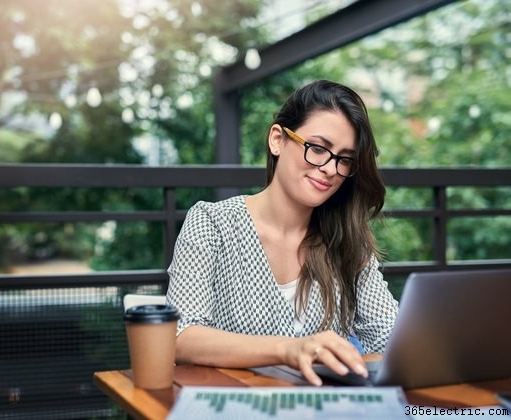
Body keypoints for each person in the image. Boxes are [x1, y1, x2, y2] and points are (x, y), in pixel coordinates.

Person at [165, 79, 399, 386]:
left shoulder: (346, 239)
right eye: (318, 148)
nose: (330, 168)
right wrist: (289, 349)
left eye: (344, 159)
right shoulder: (212, 223)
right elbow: (182, 336)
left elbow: (391, 337)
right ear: (278, 139)